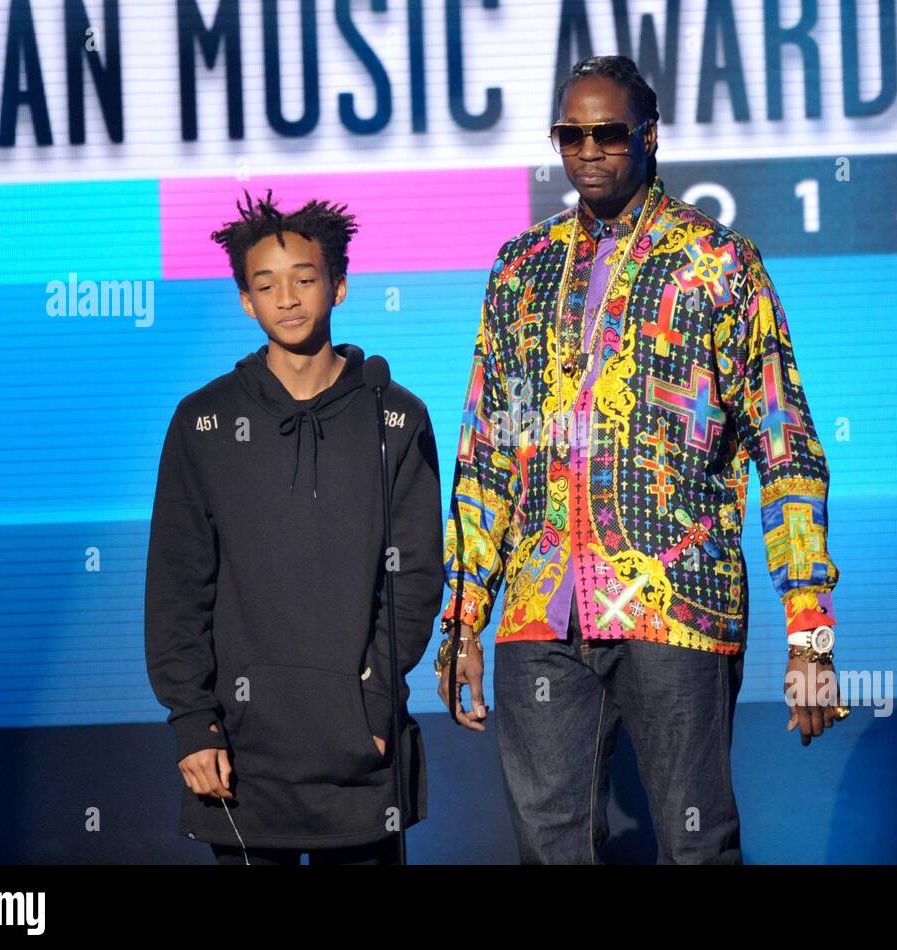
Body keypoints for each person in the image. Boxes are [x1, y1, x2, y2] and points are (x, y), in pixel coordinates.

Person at [436, 56, 846, 864]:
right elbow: (486, 449)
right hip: (537, 608)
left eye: (609, 132)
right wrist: (462, 619)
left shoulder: (718, 263)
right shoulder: (519, 271)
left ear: (650, 136)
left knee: (696, 848)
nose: (588, 149)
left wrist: (811, 634)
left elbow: (785, 444)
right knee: (551, 850)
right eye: (570, 134)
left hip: (678, 603)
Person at [144, 190, 443, 864]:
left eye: (304, 278)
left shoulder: (393, 414)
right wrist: (194, 723)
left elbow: (416, 578)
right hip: (242, 759)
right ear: (246, 300)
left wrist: (372, 705)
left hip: (360, 755)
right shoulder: (204, 420)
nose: (287, 297)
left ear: (337, 284)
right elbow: (176, 585)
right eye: (265, 283)